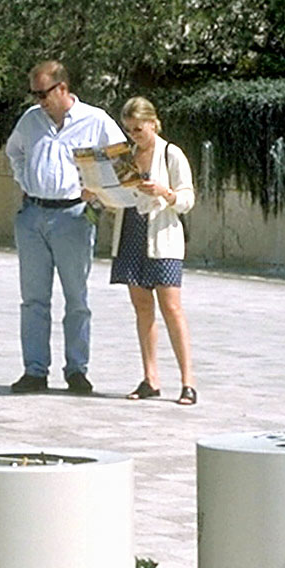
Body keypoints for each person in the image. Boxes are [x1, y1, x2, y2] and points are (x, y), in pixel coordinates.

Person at [3, 60, 125, 394]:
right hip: (33, 214)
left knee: (76, 298)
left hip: (73, 216)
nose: (39, 100)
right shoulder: (30, 120)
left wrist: (99, 192)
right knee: (33, 299)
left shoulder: (95, 120)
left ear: (62, 88)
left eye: (43, 93)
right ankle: (34, 370)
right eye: (34, 94)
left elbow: (122, 163)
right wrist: (25, 178)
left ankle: (76, 370)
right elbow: (14, 152)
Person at [104, 97, 198, 404]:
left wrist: (165, 192)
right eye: (129, 130)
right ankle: (150, 378)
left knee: (171, 307)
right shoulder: (125, 156)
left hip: (163, 237)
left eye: (139, 129)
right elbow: (117, 198)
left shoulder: (171, 153)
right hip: (131, 231)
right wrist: (99, 192)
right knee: (142, 306)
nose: (134, 135)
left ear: (153, 124)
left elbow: (187, 199)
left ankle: (187, 381)